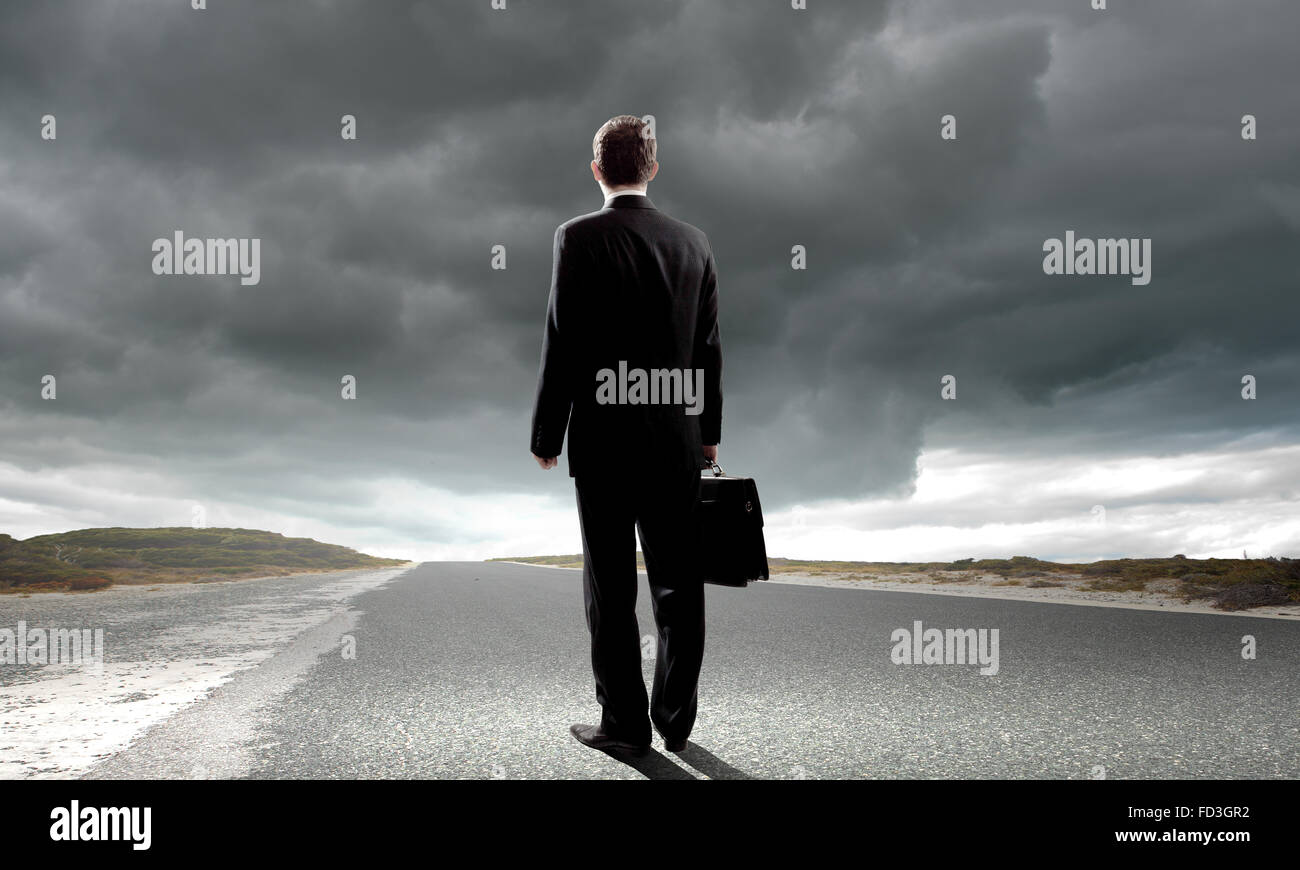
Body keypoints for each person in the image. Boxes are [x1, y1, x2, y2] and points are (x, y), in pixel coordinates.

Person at [529, 114, 723, 755]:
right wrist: (709, 433)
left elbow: (564, 340)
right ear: (653, 166)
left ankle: (624, 725)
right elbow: (706, 349)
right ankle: (677, 719)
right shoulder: (694, 243)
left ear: (596, 170)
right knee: (679, 582)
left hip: (605, 441)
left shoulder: (577, 238)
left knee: (610, 587)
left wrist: (547, 432)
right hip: (675, 437)